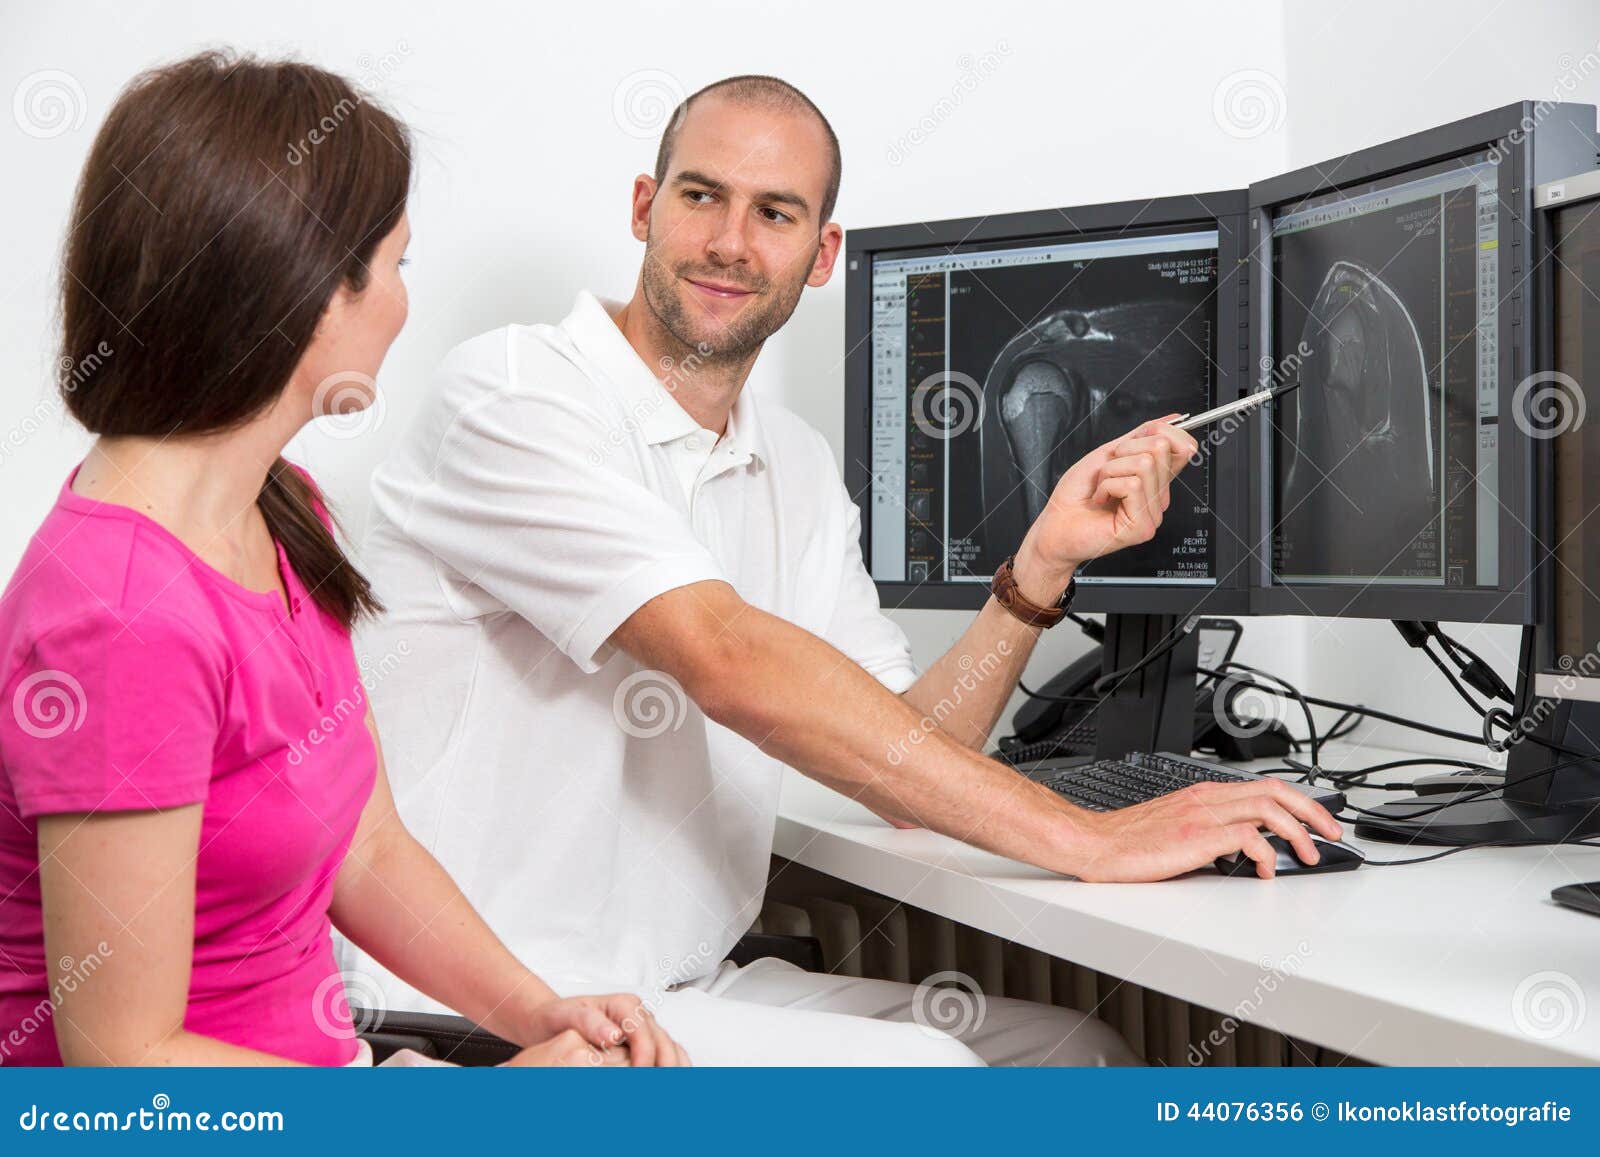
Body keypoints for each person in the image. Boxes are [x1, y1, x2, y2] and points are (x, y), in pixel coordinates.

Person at [346, 75, 1343, 1066]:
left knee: (1071, 1050)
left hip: (684, 986)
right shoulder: (515, 393)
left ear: (820, 253)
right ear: (645, 208)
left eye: (774, 212)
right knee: (944, 1075)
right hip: (493, 1008)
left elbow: (914, 761)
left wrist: (1040, 562)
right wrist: (1088, 836)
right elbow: (723, 655)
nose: (731, 242)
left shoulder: (792, 461)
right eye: (701, 196)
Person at [0, 53, 684, 1068]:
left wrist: (540, 1014)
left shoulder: (282, 510)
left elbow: (364, 847)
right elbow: (126, 1066)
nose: (405, 302)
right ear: (310, 288)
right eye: (397, 264)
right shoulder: (122, 618)